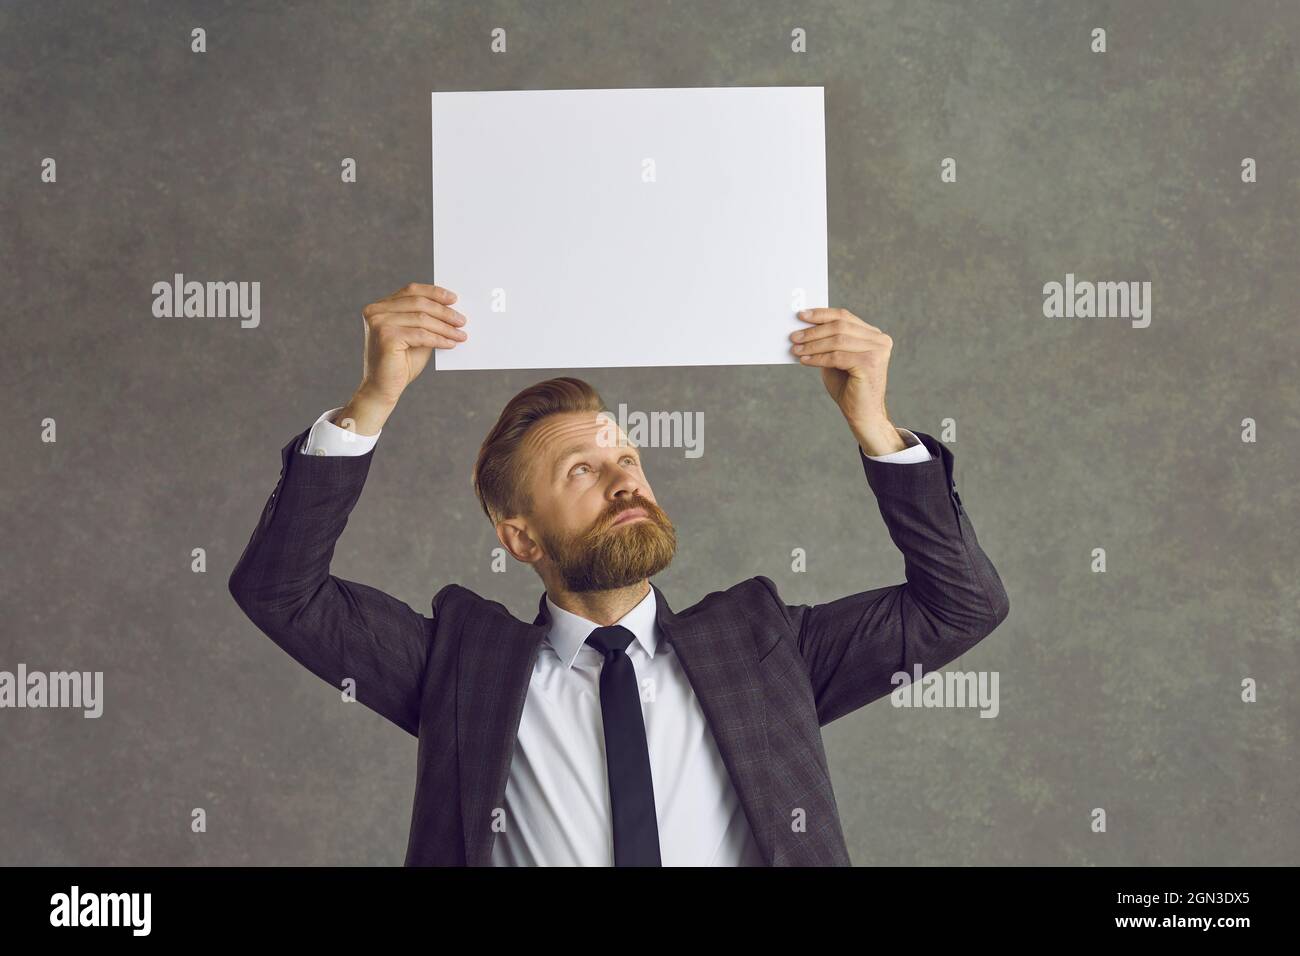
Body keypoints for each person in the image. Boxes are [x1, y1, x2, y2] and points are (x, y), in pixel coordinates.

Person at [228, 282, 1009, 865]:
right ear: (519, 537)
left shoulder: (767, 649)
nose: (625, 481)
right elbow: (280, 590)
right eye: (582, 471)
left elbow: (961, 605)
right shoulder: (460, 668)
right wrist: (372, 400)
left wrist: (875, 426)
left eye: (627, 459)